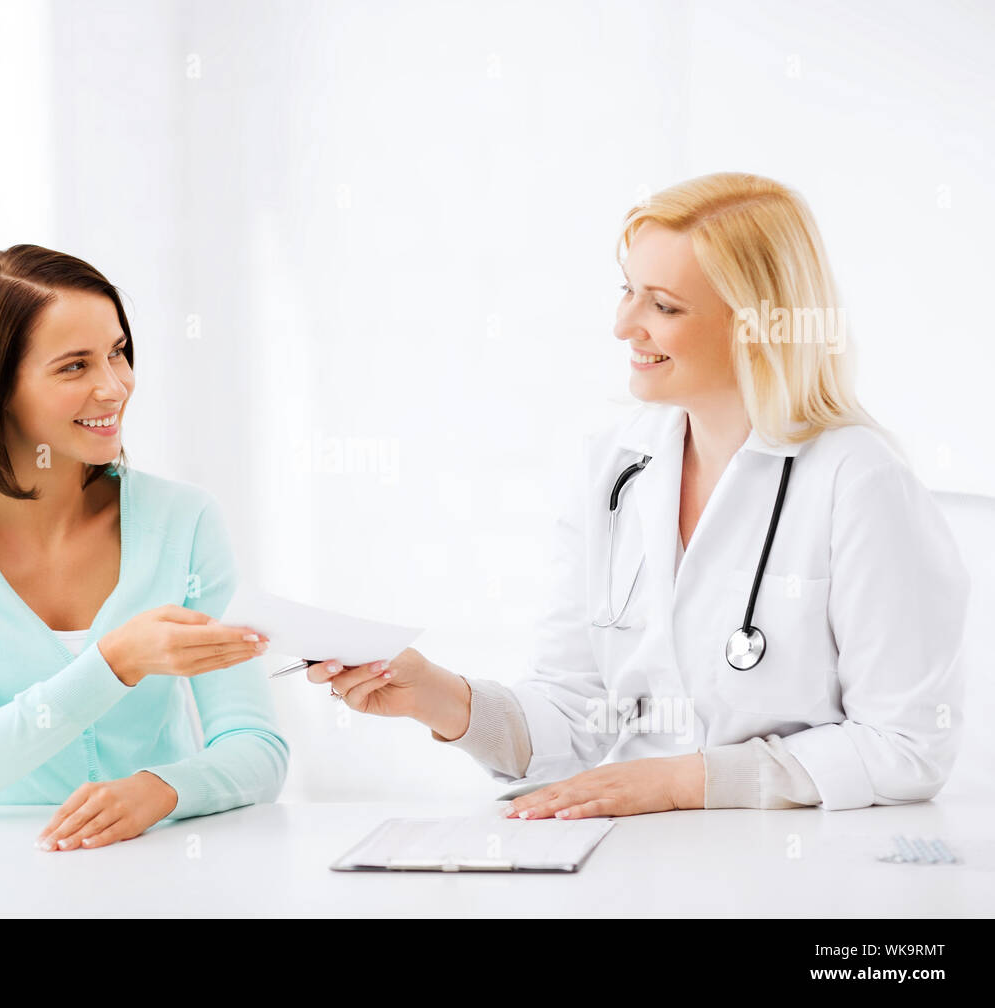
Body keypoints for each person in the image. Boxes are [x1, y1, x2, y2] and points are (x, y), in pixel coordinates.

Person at [305, 172, 969, 818]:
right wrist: (440, 698)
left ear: (758, 325)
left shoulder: (858, 480)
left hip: (798, 868)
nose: (625, 325)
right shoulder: (616, 468)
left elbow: (907, 747)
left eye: (663, 305)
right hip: (646, 857)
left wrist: (683, 781)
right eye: (627, 290)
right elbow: (573, 716)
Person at [0, 244, 287, 848]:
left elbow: (256, 747)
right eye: (74, 367)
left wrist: (159, 790)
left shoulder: (184, 518)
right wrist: (114, 663)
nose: (114, 388)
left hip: (160, 863)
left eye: (118, 354)